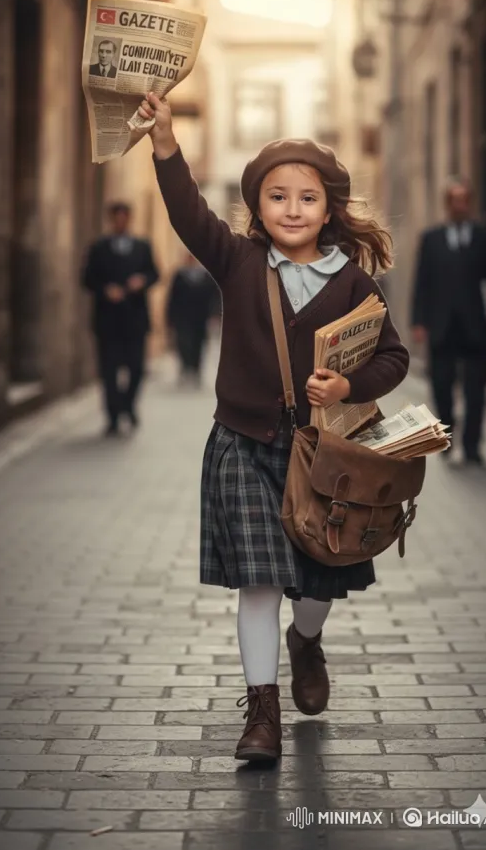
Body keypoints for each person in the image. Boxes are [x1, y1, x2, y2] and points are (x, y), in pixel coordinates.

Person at [138, 90, 409, 764]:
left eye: (308, 198)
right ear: (258, 206)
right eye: (278, 196)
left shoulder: (353, 282)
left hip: (324, 455)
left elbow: (394, 356)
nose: (293, 208)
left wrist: (348, 385)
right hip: (242, 443)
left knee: (316, 585)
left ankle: (306, 640)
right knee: (258, 580)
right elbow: (186, 212)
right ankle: (263, 713)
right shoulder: (237, 260)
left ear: (330, 209)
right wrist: (165, 143)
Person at [411, 178, 486, 464]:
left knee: (476, 389)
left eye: (465, 200)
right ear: (448, 204)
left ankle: (471, 447)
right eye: (455, 200)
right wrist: (419, 322)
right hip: (441, 326)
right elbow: (422, 283)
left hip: (477, 327)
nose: (460, 205)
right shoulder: (431, 239)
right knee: (441, 384)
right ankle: (448, 434)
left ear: (470, 203)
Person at [81, 201, 160, 435]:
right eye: (117, 217)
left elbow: (155, 273)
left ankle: (127, 405)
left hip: (135, 320)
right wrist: (105, 289)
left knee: (136, 369)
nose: (121, 221)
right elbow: (86, 278)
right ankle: (113, 417)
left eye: (125, 217)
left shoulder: (142, 246)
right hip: (107, 320)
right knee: (109, 371)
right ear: (111, 219)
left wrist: (142, 281)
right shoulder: (99, 247)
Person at [166, 251, 221, 386]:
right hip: (182, 316)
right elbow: (172, 297)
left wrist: (215, 315)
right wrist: (169, 318)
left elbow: (215, 297)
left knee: (199, 343)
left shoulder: (207, 276)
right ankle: (186, 367)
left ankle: (196, 370)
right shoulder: (179, 275)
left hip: (201, 317)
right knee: (183, 342)